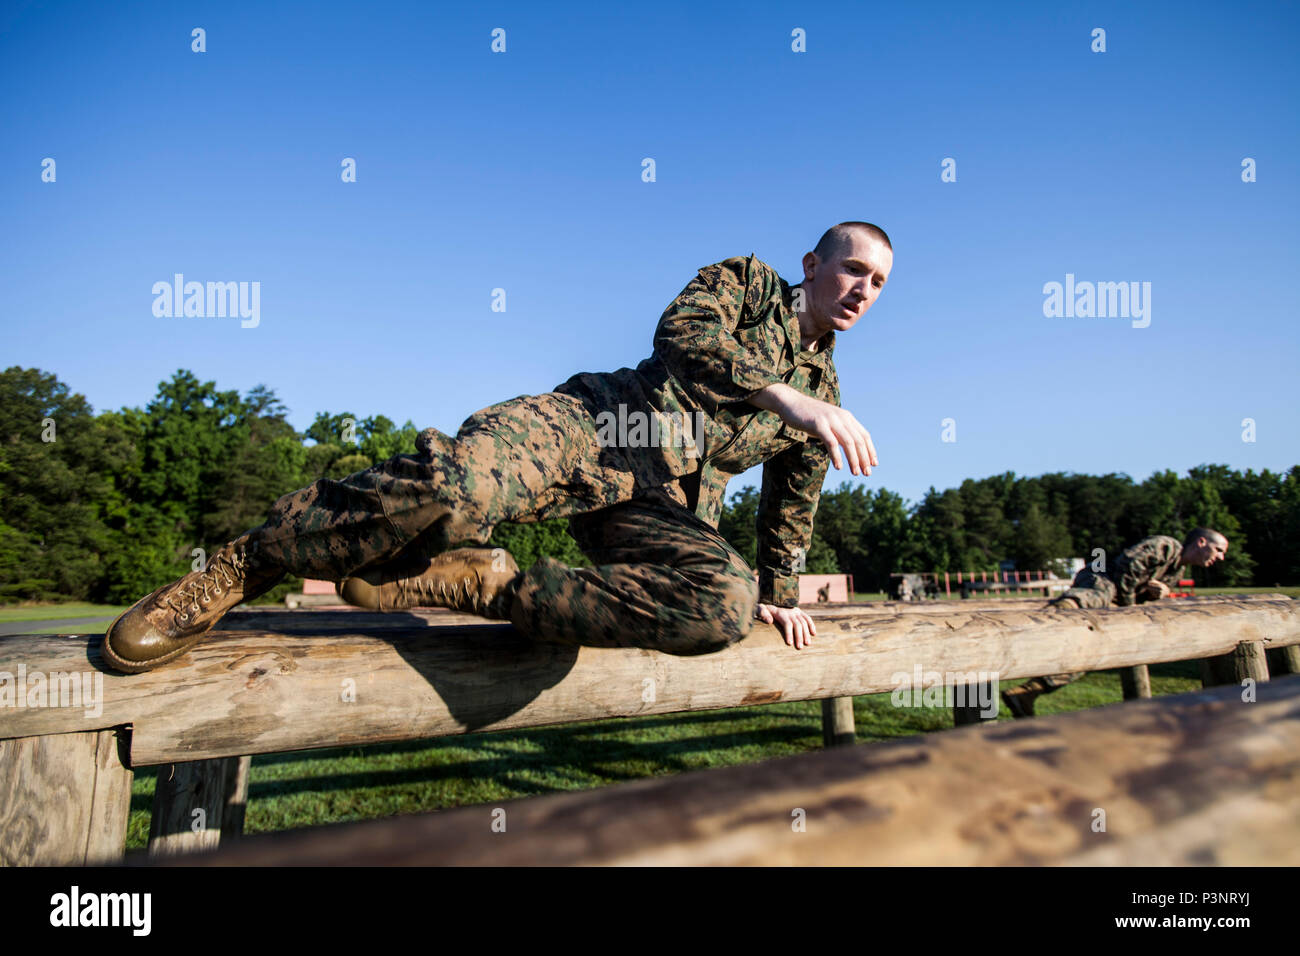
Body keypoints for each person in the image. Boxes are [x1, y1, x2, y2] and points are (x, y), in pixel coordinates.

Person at [102, 222, 893, 673]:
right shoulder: (748, 284)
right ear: (813, 265)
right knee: (458, 488)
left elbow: (792, 508)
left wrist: (780, 593)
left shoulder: (825, 405)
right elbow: (682, 334)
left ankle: (485, 583)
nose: (861, 289)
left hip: (657, 506)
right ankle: (244, 564)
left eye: (879, 283)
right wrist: (779, 394)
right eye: (852, 268)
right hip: (590, 428)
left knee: (721, 603)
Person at [1000, 528, 1229, 717]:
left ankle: (1026, 693)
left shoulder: (1175, 572)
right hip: (1101, 579)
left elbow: (1140, 595)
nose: (1220, 557)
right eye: (1218, 550)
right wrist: (1128, 611)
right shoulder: (1166, 546)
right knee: (1099, 595)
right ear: (1201, 542)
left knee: (1091, 655)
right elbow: (1128, 567)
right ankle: (1045, 623)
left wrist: (1157, 593)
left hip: (1116, 607)